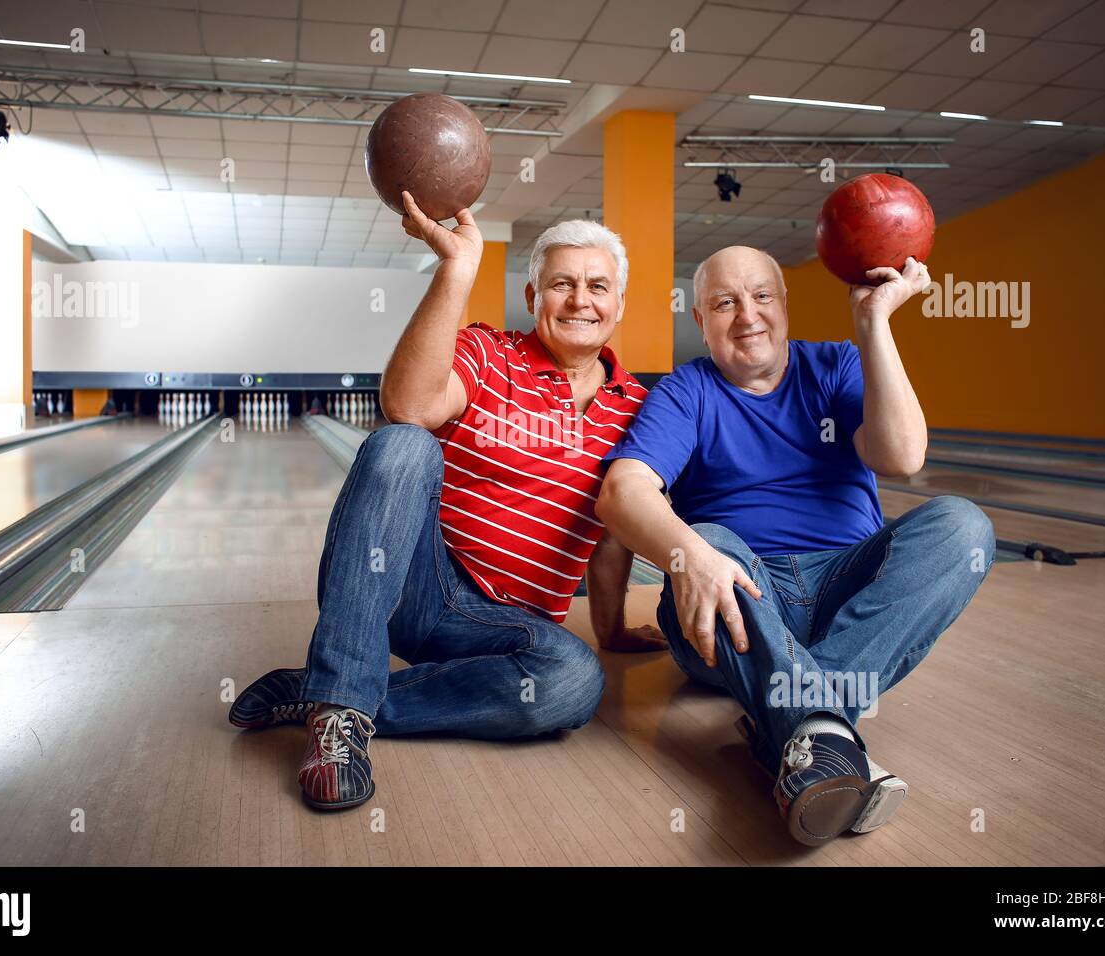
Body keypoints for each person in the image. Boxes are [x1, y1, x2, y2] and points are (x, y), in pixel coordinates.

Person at [229, 192, 661, 810]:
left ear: (618, 303)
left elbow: (618, 526)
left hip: (509, 630)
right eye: (561, 284)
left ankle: (336, 692)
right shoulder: (490, 353)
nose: (581, 300)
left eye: (598, 286)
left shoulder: (638, 409)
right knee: (404, 444)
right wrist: (455, 271)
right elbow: (408, 405)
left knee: (573, 683)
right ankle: (338, 720)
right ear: (533, 298)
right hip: (415, 585)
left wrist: (613, 629)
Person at [596, 246, 994, 846]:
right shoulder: (687, 391)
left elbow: (902, 456)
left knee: (962, 526)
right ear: (700, 321)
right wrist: (692, 553)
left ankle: (804, 728)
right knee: (704, 540)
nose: (746, 315)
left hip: (844, 595)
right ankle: (825, 727)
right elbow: (623, 493)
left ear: (784, 305)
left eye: (761, 296)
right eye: (724, 303)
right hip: (737, 601)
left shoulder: (835, 366)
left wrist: (874, 325)